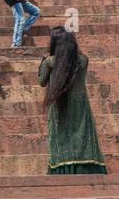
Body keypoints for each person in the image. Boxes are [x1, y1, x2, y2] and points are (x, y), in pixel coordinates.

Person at [38, 27, 107, 175]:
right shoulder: (83, 61)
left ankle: (61, 170)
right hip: (80, 106)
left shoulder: (49, 62)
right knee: (83, 137)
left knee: (60, 138)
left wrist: (45, 61)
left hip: (58, 106)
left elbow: (42, 81)